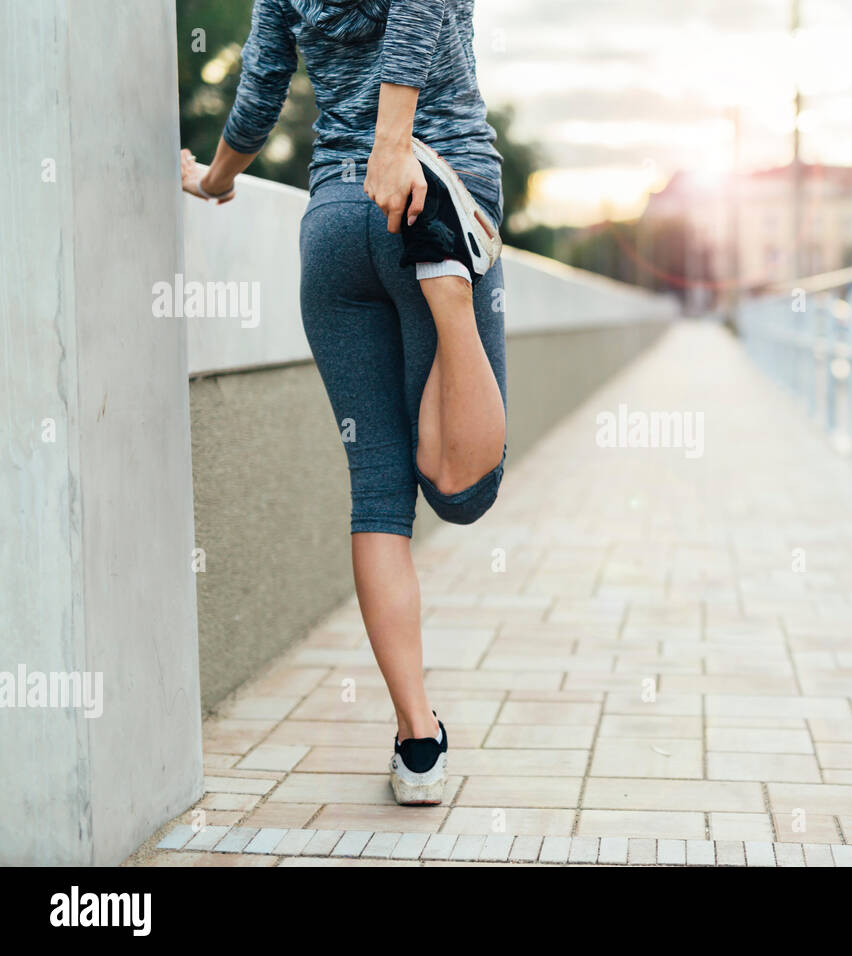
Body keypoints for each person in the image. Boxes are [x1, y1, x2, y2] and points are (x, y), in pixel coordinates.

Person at [180, 0, 507, 806]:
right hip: (433, 185)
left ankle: (417, 741)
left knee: (378, 495)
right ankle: (448, 288)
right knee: (466, 490)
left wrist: (213, 178)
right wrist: (394, 148)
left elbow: (260, 84)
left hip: (330, 224)